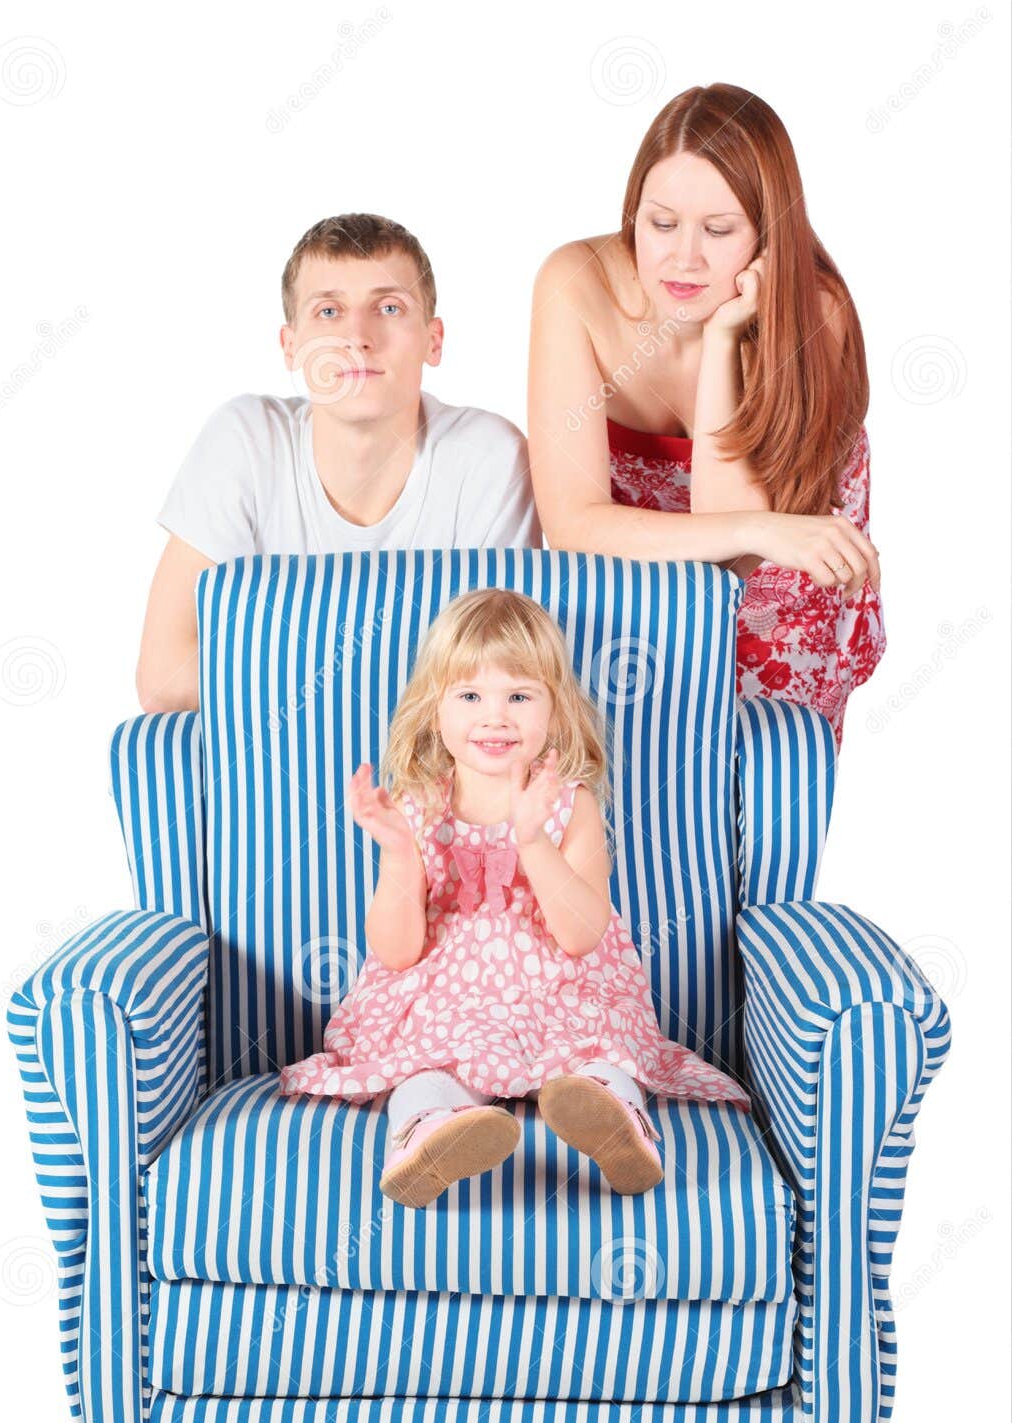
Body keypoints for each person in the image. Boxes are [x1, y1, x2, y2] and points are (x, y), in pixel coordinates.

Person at [278, 587, 751, 1208]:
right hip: (449, 998)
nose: (495, 717)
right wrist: (397, 851)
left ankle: (614, 1121)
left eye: (519, 696)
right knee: (425, 1071)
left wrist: (532, 838)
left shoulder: (569, 803)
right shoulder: (420, 804)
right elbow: (395, 953)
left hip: (559, 993)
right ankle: (431, 1136)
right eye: (470, 696)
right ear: (435, 712)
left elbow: (582, 935)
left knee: (601, 1052)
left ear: (554, 711)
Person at [527, 83, 884, 749]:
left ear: (766, 234)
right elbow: (573, 527)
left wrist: (723, 340)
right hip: (643, 572)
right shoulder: (574, 285)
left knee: (770, 782)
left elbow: (740, 562)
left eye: (718, 232)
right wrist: (757, 527)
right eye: (660, 224)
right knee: (632, 782)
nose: (683, 258)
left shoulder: (818, 313)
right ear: (632, 213)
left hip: (781, 576)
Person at [137, 213, 541, 712]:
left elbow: (506, 680)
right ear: (291, 346)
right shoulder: (244, 440)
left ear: (433, 340)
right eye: (328, 312)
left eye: (389, 307)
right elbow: (163, 677)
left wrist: (280, 675)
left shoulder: (489, 456)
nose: (358, 337)